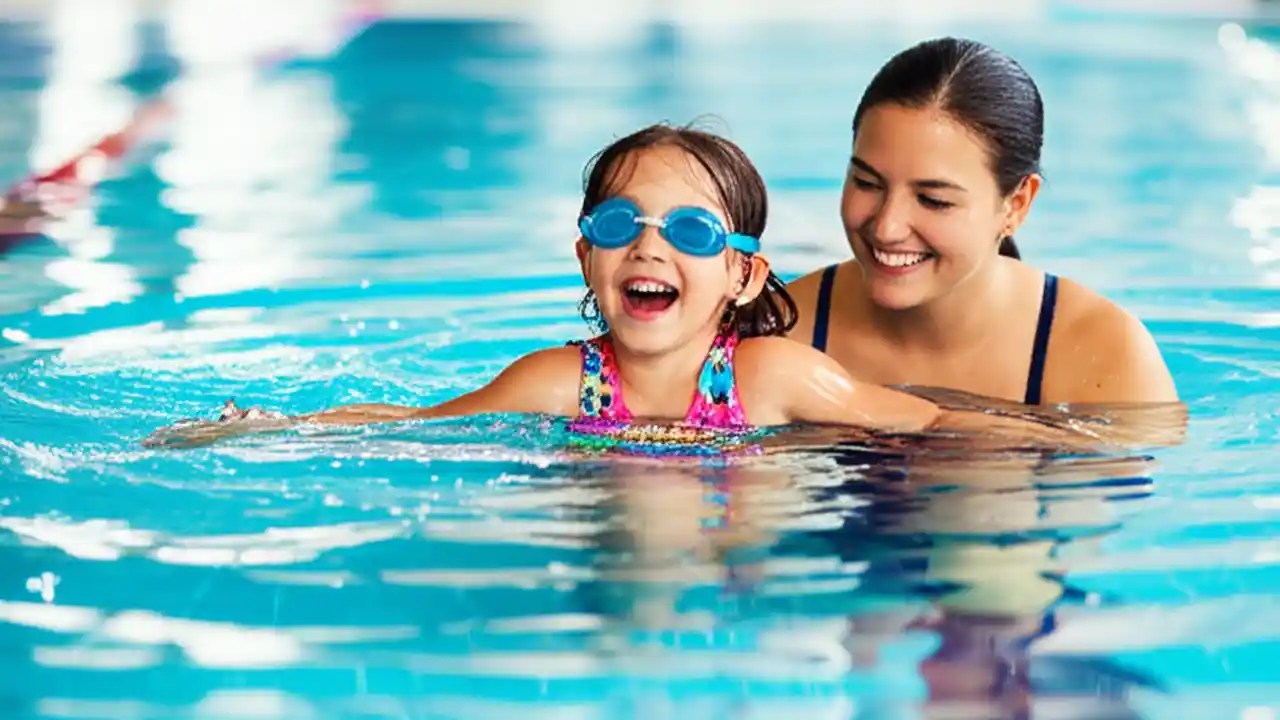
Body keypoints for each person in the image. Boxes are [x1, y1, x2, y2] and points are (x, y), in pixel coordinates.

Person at [144, 124, 1095, 450]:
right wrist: (266, 426)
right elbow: (413, 423)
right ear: (585, 261)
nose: (648, 250)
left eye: (688, 231)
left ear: (741, 274)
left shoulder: (771, 376)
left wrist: (1070, 444)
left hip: (746, 569)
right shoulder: (560, 383)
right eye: (615, 227)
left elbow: (924, 423)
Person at [788, 38, 1179, 407]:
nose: (887, 228)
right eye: (867, 183)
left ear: (1017, 204)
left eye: (934, 200)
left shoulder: (1104, 359)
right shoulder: (783, 331)